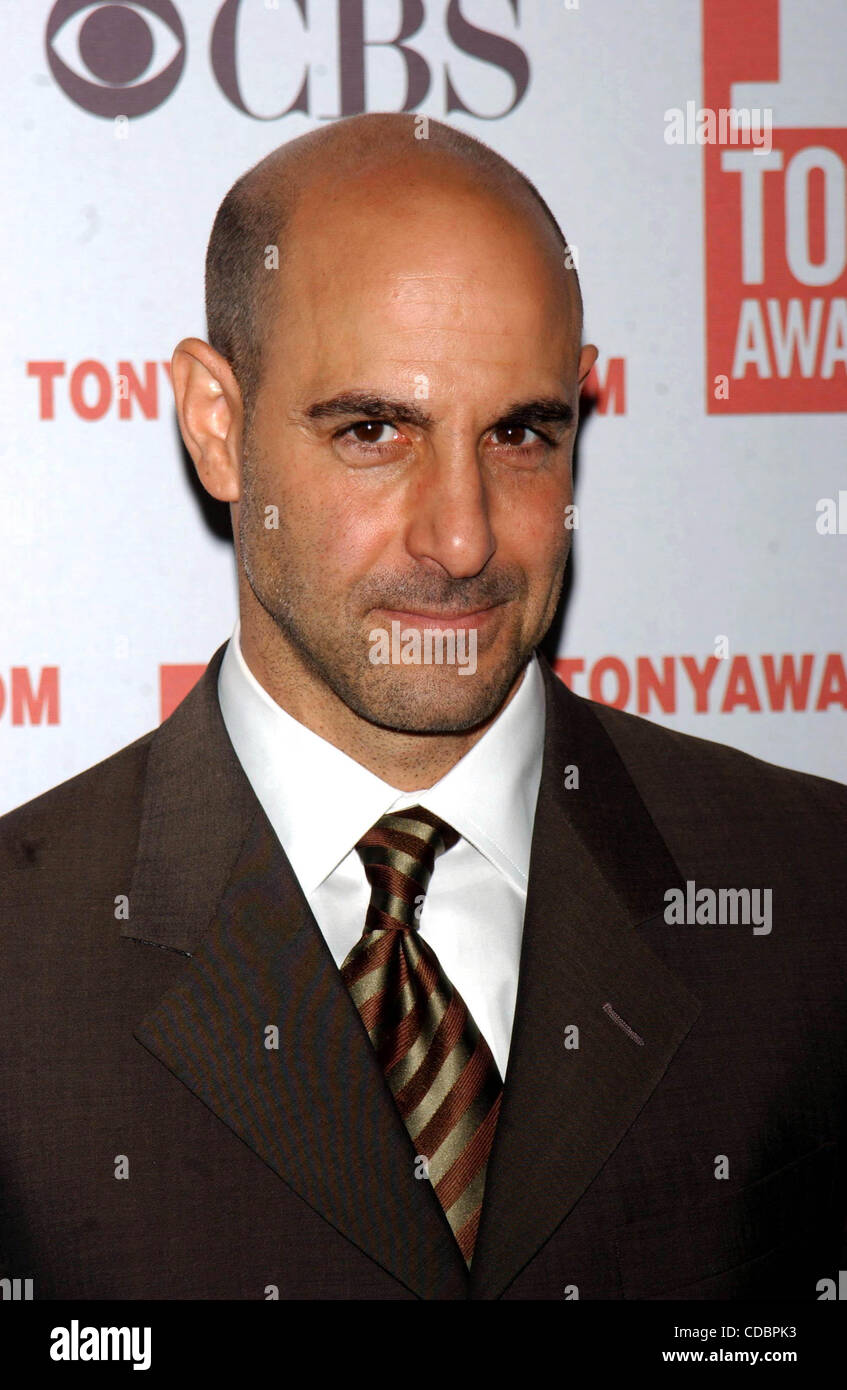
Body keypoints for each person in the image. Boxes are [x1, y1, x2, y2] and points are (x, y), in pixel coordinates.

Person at [1, 112, 845, 1302]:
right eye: (374, 430)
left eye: (520, 434)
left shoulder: (811, 895)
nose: (461, 537)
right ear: (215, 425)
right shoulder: (22, 962)